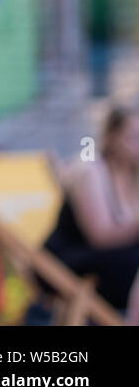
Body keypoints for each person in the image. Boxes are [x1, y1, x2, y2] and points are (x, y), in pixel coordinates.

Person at [41, 103, 139, 323]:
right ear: (112, 137)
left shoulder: (132, 175)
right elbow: (100, 236)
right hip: (63, 261)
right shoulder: (91, 170)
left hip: (107, 260)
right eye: (133, 137)